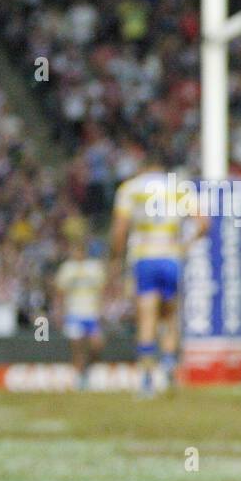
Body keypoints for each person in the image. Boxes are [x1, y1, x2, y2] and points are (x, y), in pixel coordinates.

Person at [108, 158, 205, 395]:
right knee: (170, 314)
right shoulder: (177, 187)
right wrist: (185, 245)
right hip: (171, 255)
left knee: (147, 315)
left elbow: (120, 229)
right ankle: (170, 362)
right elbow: (203, 222)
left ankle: (147, 378)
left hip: (144, 256)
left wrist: (114, 260)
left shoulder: (130, 188)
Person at [54, 237, 106, 389]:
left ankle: (88, 370)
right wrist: (59, 312)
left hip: (92, 313)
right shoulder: (67, 269)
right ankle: (79, 379)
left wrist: (102, 310)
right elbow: (60, 292)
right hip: (74, 313)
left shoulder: (95, 268)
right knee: (77, 346)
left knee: (97, 345)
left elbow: (102, 290)